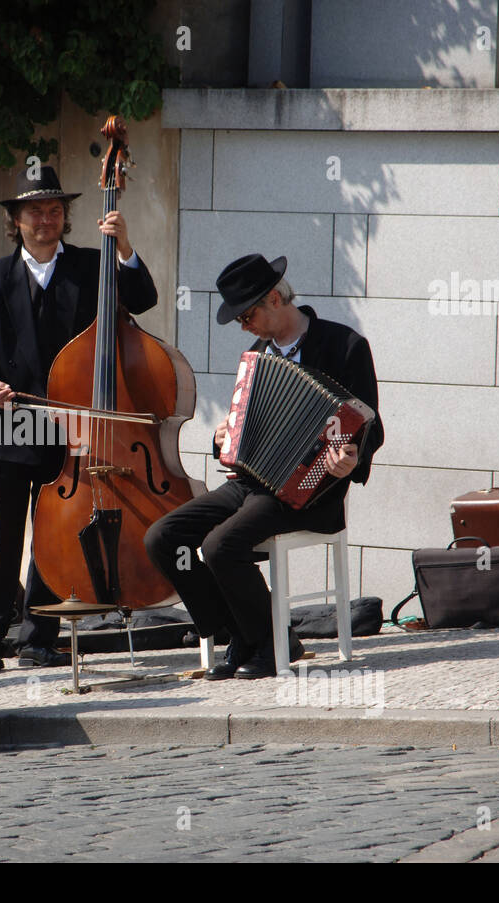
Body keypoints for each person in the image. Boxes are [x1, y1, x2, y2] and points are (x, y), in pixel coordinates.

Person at [0, 166, 159, 676]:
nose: (46, 220)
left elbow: (143, 300)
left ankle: (38, 637)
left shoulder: (95, 266)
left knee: (54, 531)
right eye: (34, 211)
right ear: (16, 220)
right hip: (9, 423)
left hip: (69, 426)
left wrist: (125, 248)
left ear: (65, 217)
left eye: (54, 210)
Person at [144, 253, 384, 679]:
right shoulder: (255, 356)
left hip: (312, 490)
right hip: (253, 485)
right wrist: (223, 438)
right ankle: (242, 632)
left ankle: (269, 643)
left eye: (247, 314)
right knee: (165, 538)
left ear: (275, 298)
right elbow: (242, 438)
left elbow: (370, 428)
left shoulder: (344, 345)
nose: (243, 325)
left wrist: (350, 458)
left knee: (220, 546)